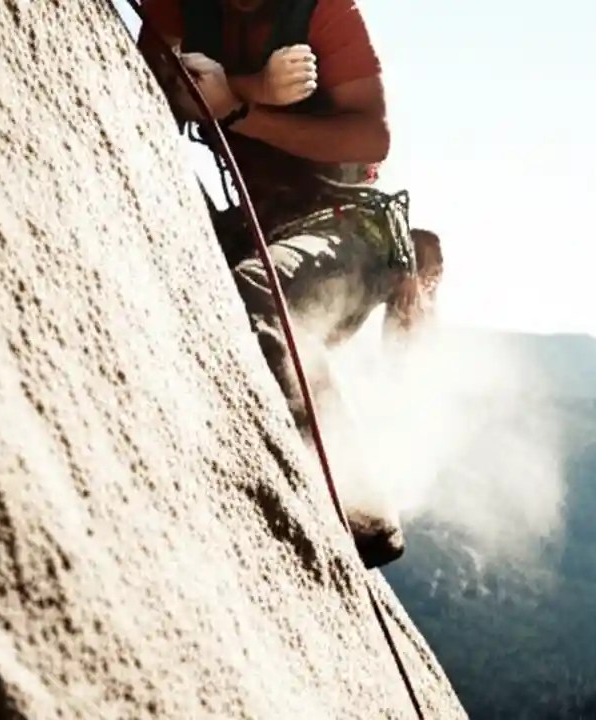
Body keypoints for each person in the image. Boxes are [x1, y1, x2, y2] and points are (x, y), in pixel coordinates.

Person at [137, 0, 442, 568]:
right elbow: (151, 80)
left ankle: (360, 507)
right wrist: (252, 87)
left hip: (347, 228)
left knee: (259, 291)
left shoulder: (324, 11)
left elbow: (370, 137)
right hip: (263, 222)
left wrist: (241, 112)